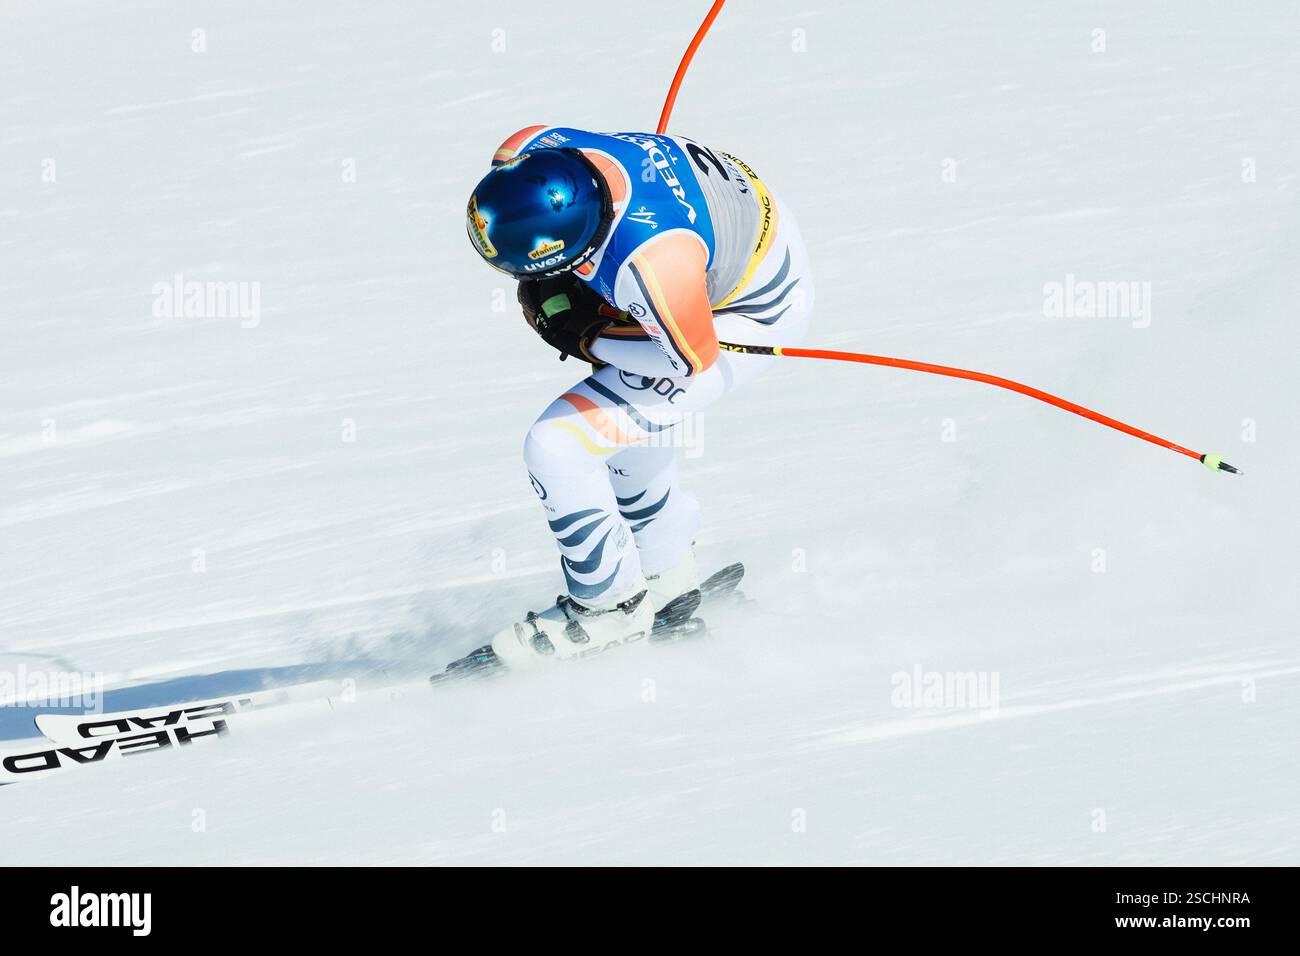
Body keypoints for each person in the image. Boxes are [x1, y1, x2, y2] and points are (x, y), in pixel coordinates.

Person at [465, 126, 814, 666]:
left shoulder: (650, 268)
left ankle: (608, 612)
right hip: (735, 236)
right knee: (621, 429)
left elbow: (688, 361)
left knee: (557, 446)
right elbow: (513, 149)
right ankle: (667, 569)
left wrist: (584, 333)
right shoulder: (539, 147)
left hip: (745, 318)